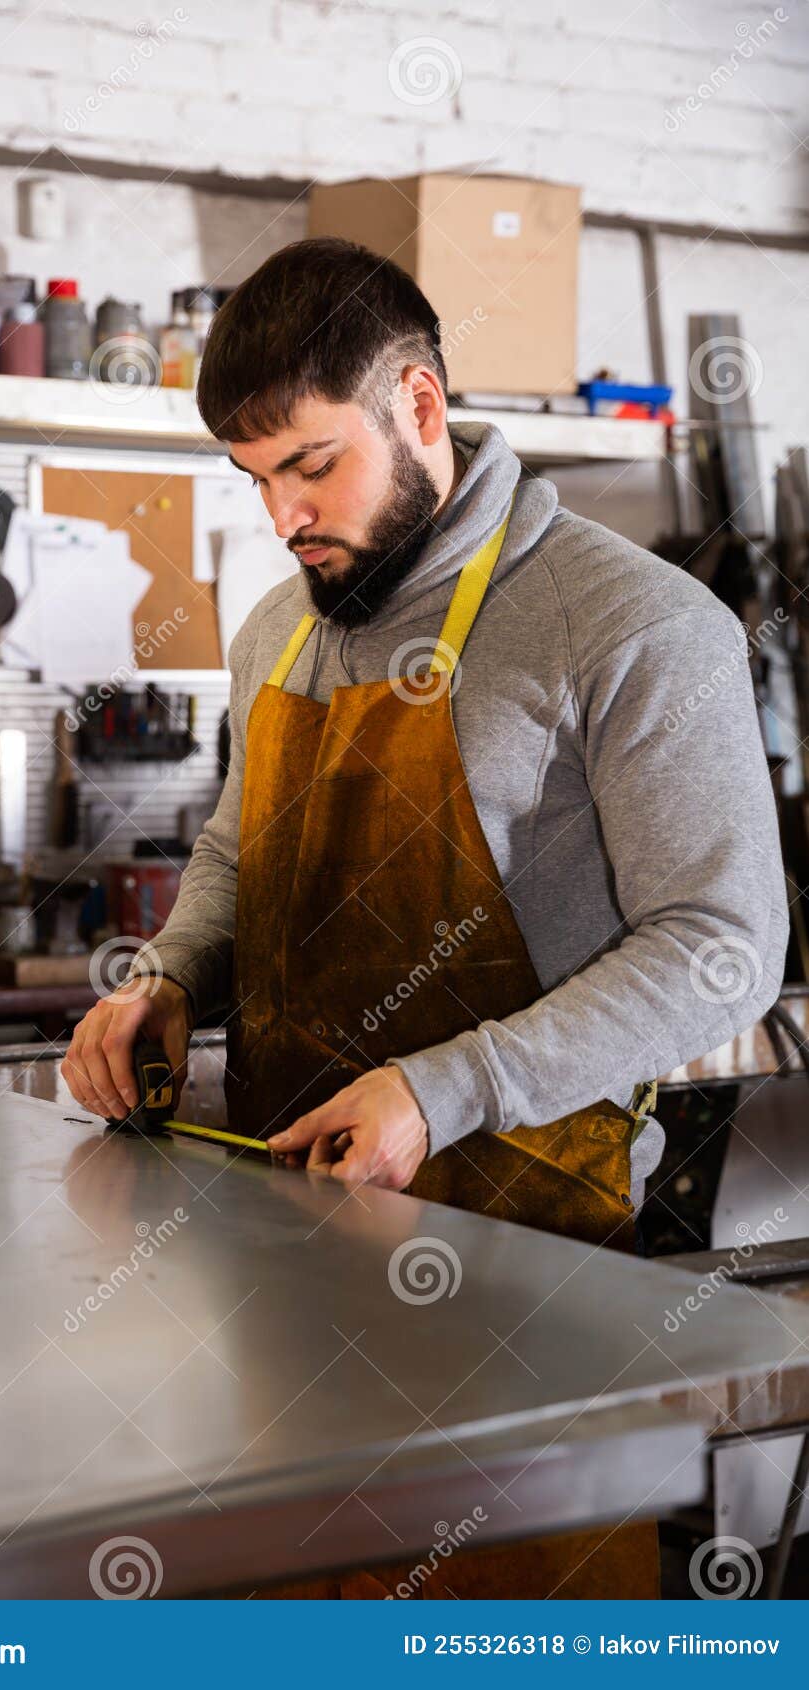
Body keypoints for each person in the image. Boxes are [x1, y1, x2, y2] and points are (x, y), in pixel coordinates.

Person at [62, 238, 787, 1597]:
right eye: (254, 477)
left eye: (310, 464)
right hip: (285, 1254)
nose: (281, 514)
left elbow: (724, 950)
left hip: (528, 1275)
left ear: (420, 408)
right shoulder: (277, 621)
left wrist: (443, 1087)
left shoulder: (631, 624)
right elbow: (235, 853)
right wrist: (163, 977)